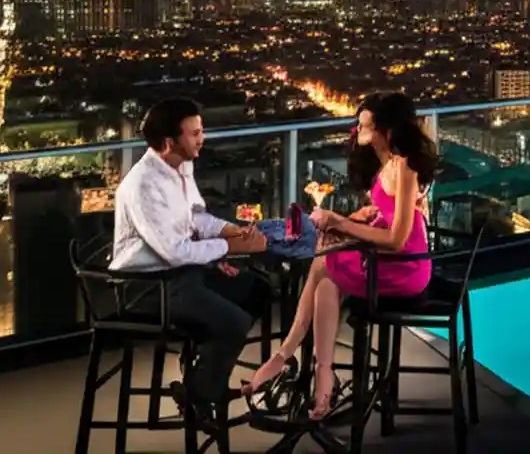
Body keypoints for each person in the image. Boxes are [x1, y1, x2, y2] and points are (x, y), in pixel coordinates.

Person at [242, 91, 437, 419]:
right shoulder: (385, 165)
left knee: (324, 259)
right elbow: (385, 215)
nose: (358, 128)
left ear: (384, 130)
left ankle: (288, 356)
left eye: (366, 123)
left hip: (406, 267)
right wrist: (361, 217)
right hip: (383, 261)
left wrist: (341, 222)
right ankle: (321, 376)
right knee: (326, 282)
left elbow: (397, 238)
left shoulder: (404, 167)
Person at [110, 97, 270, 426]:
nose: (202, 138)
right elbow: (175, 251)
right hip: (149, 288)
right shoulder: (143, 185)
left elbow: (196, 218)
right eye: (195, 133)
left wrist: (231, 231)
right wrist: (227, 247)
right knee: (232, 322)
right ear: (170, 142)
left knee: (257, 290)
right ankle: (200, 399)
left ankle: (202, 380)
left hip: (181, 274)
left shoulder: (181, 165)